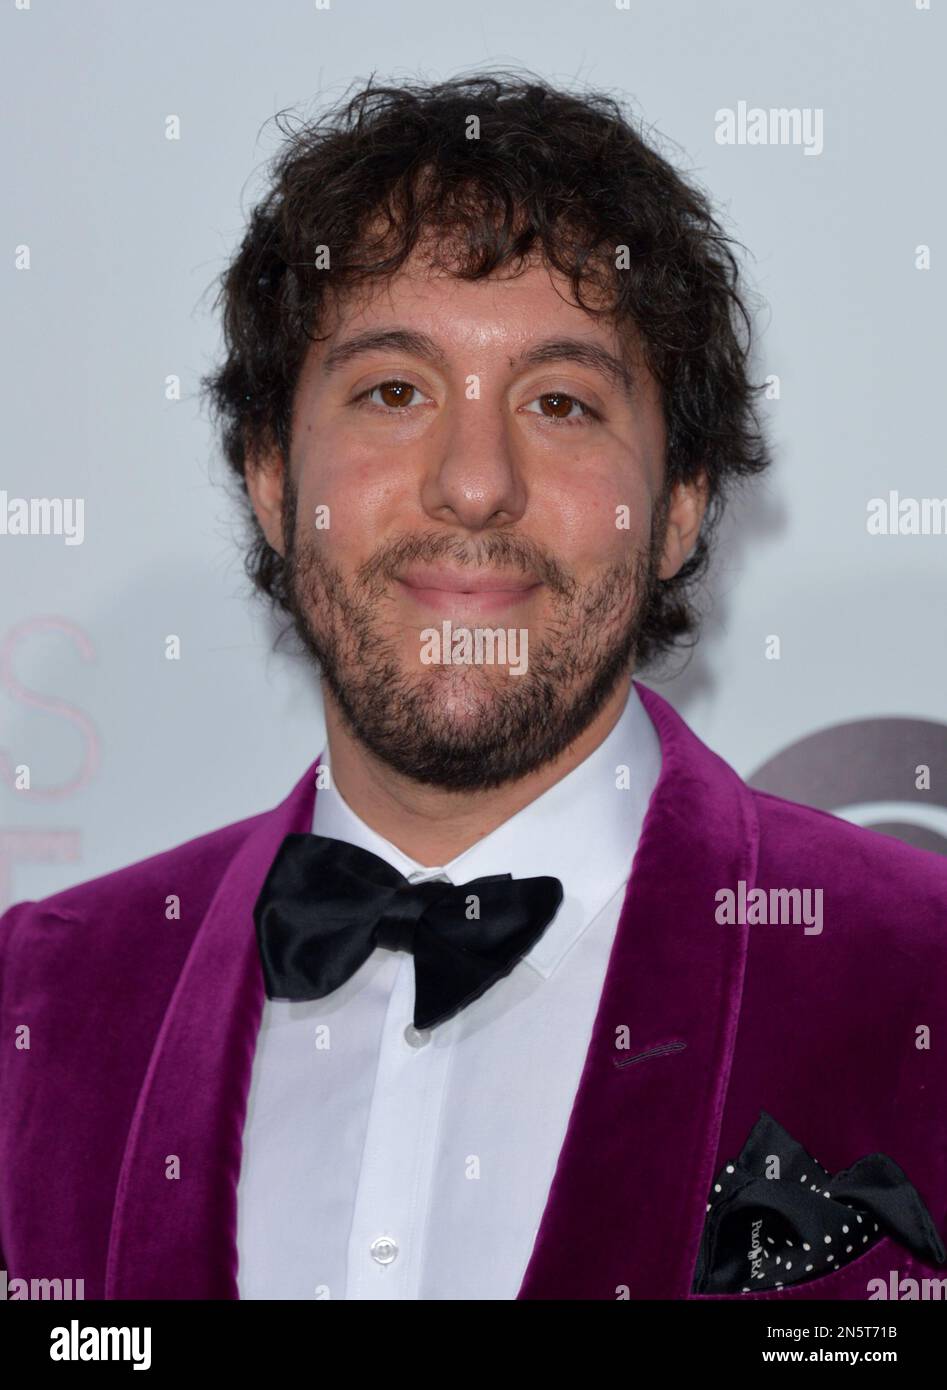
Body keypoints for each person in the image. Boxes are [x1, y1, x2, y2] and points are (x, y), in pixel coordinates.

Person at [1, 72, 944, 1302]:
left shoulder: (915, 976)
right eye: (394, 391)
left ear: (677, 508)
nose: (474, 482)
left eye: (559, 402)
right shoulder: (39, 1012)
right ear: (274, 479)